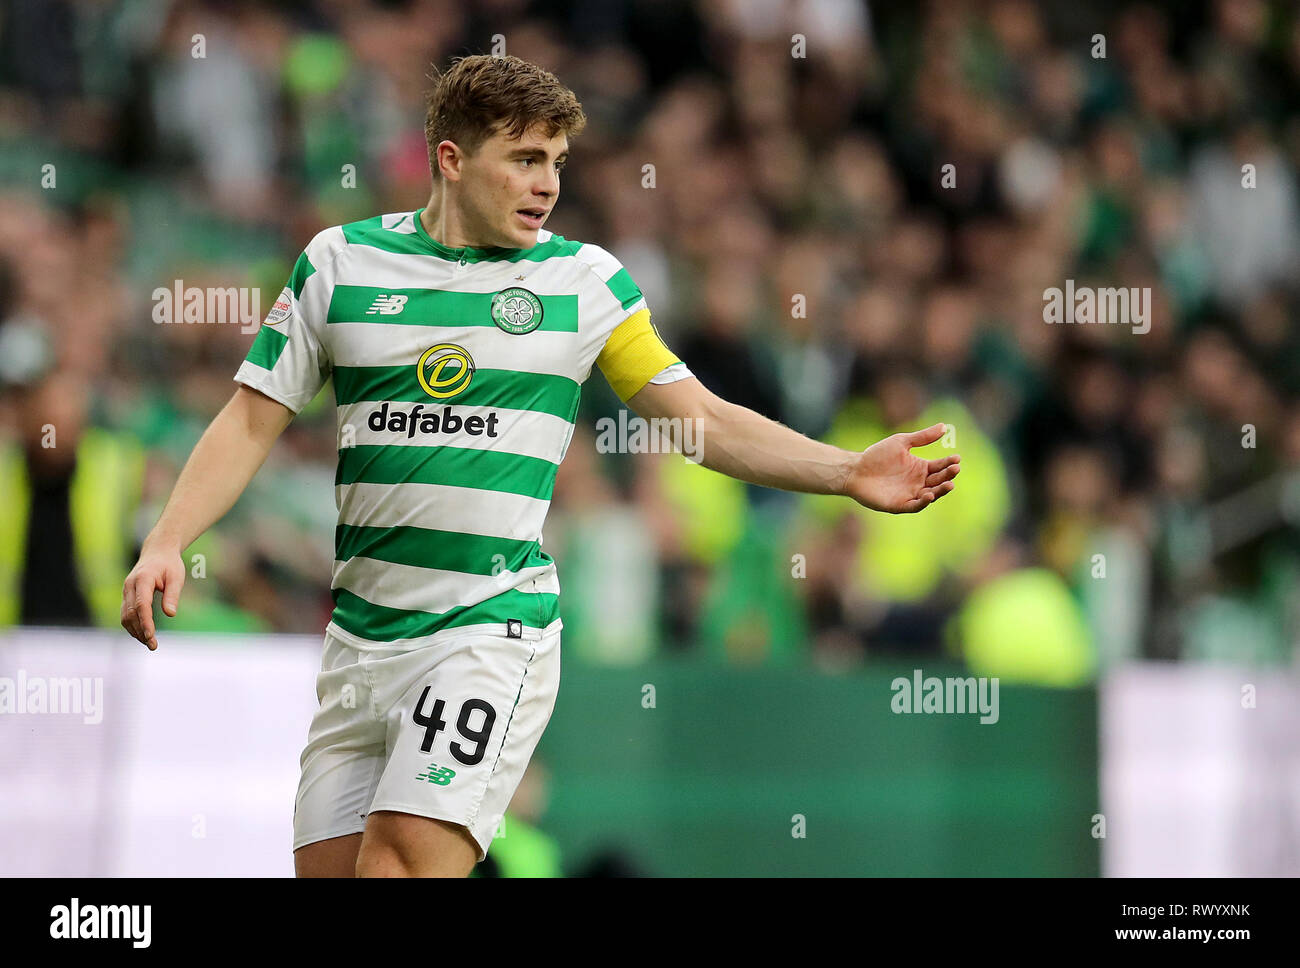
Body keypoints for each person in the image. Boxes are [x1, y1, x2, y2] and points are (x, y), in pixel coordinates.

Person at [119, 54, 961, 878]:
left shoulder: (584, 283)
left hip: (487, 628)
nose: (547, 184)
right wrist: (167, 539)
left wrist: (846, 471)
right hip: (359, 640)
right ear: (451, 160)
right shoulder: (338, 265)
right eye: (525, 159)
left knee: (400, 867)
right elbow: (250, 418)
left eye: (556, 162)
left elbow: (699, 419)